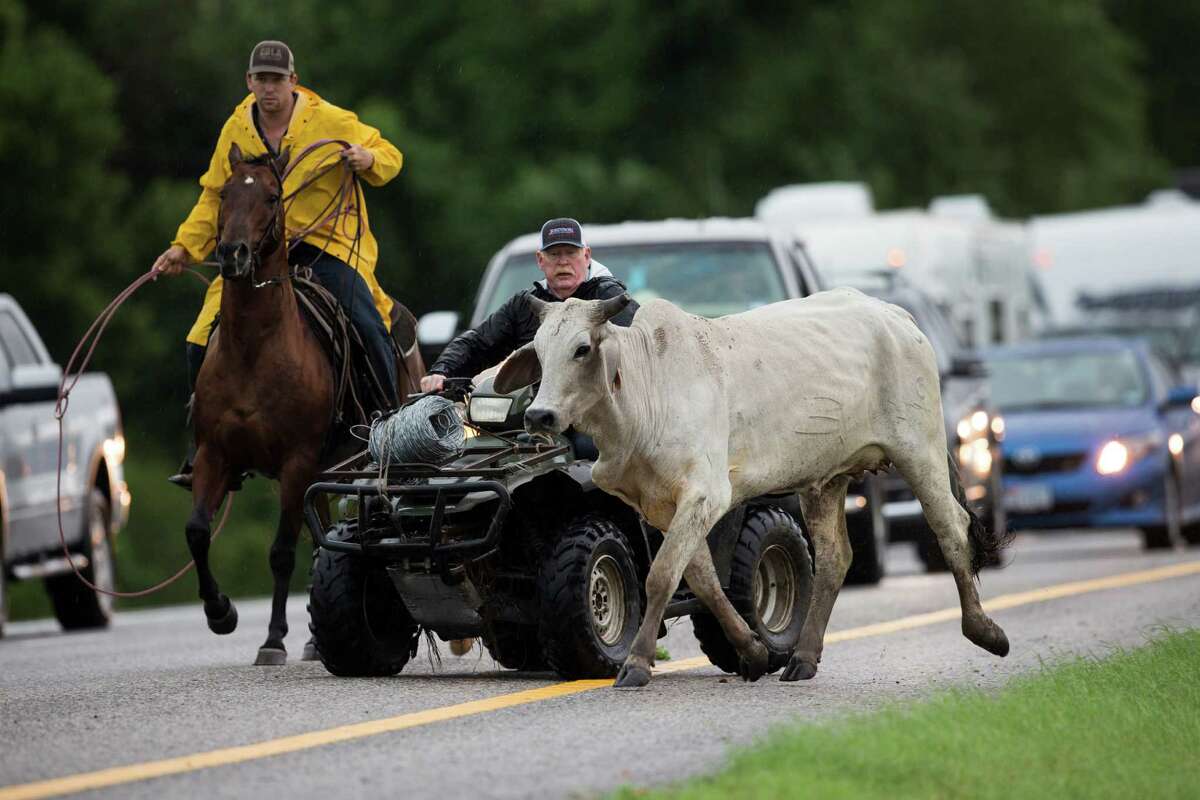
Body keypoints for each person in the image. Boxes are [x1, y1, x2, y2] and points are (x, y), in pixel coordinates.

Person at [154, 40, 403, 486]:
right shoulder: (236, 126)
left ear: (293, 80)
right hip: (258, 252)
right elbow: (215, 194)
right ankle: (206, 449)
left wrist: (367, 158)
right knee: (199, 339)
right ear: (249, 82)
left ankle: (390, 428)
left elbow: (390, 156)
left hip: (323, 244)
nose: (268, 88)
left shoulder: (331, 120)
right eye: (260, 79)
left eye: (277, 79)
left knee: (367, 320)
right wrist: (183, 248)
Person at [421, 218, 639, 394]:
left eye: (571, 253)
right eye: (554, 254)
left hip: (596, 413)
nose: (563, 262)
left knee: (585, 448)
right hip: (535, 411)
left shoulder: (609, 298)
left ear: (587, 256)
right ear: (540, 260)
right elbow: (478, 343)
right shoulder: (524, 304)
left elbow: (640, 352)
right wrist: (442, 372)